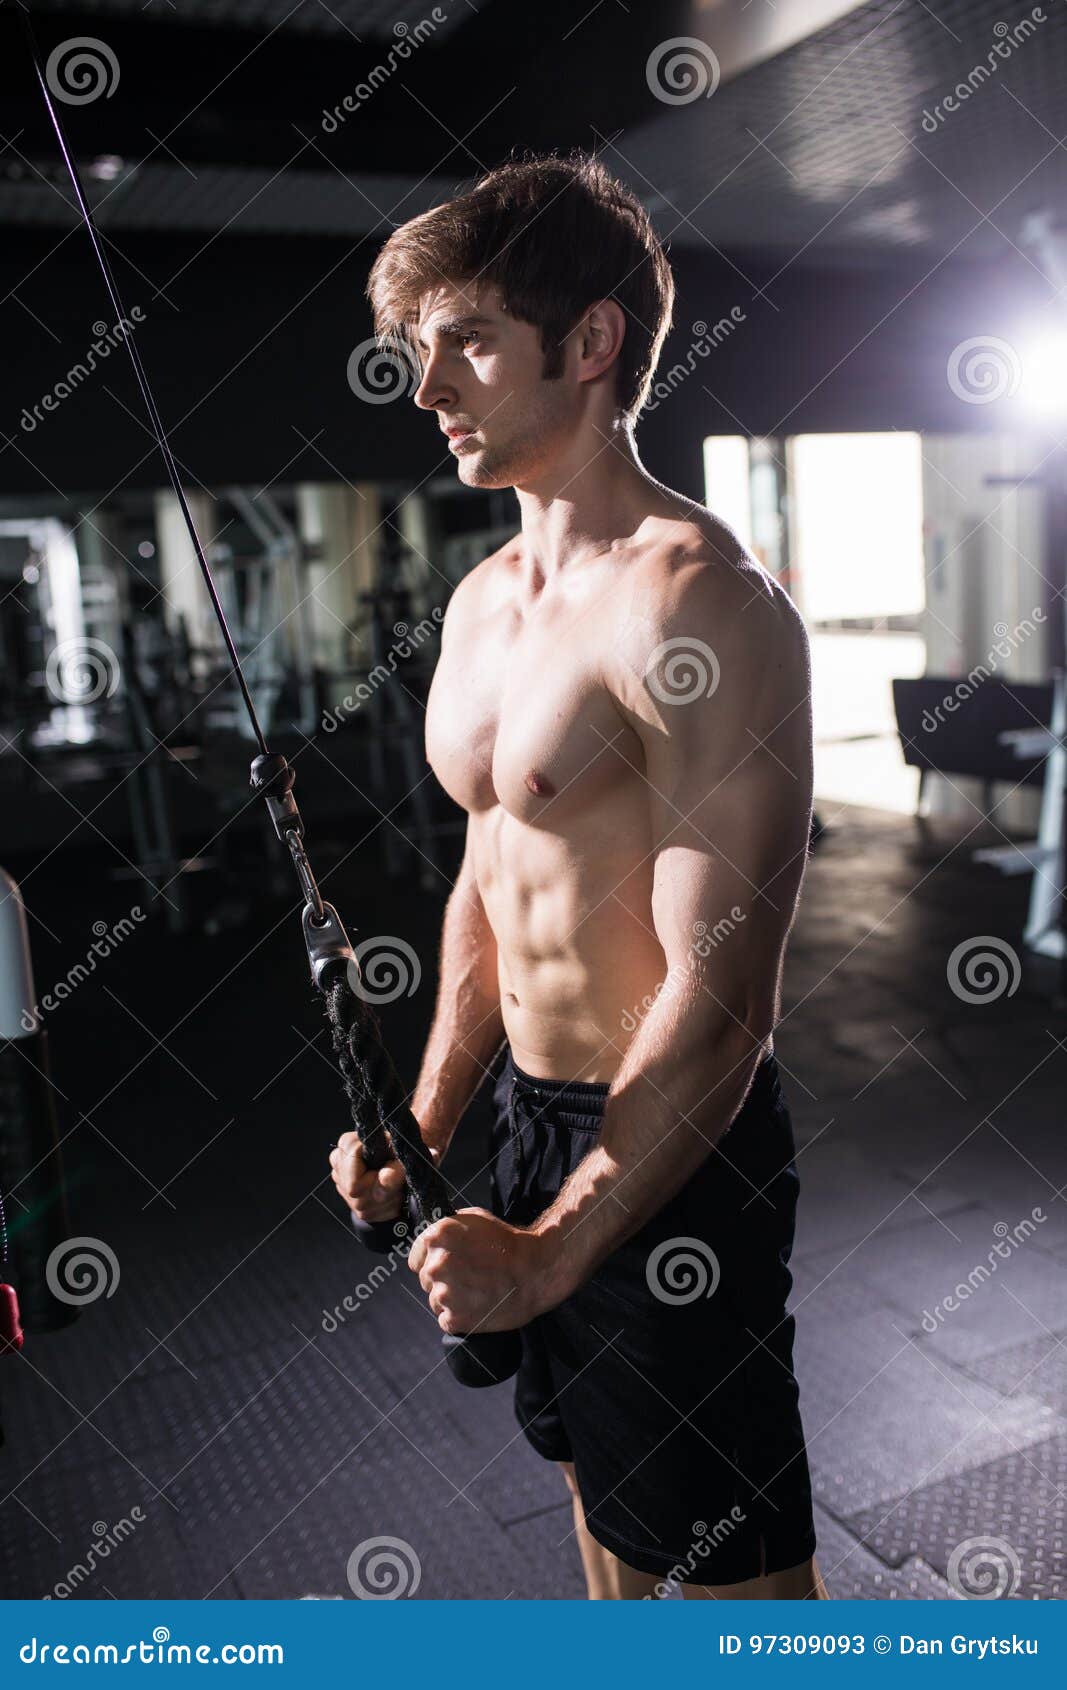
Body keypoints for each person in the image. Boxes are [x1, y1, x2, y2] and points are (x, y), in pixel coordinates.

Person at [330, 153, 826, 1601]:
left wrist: (552, 1252)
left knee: (730, 1575)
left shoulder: (705, 603)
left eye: (469, 342)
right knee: (602, 1512)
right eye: (420, 353)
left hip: (675, 1141)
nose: (431, 389)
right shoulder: (486, 602)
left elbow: (725, 1004)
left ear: (593, 342)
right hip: (525, 1128)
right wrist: (425, 1122)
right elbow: (487, 878)